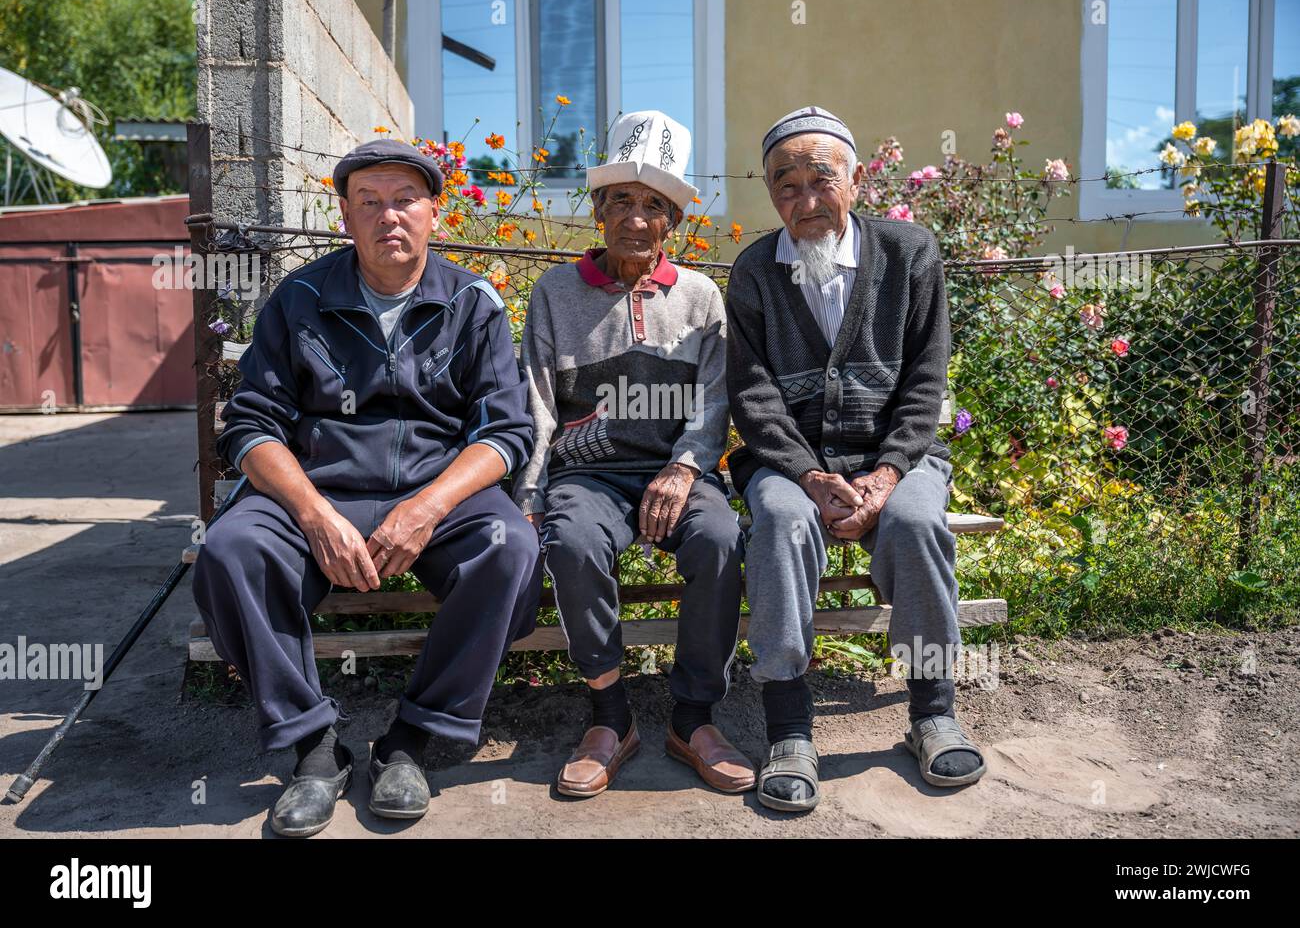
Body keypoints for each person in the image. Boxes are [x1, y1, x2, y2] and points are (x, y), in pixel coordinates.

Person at [193, 138, 542, 836]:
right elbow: (251, 426)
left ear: (434, 214)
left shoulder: (473, 303)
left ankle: (408, 741)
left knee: (508, 548)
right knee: (231, 550)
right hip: (319, 490)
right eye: (369, 202)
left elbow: (505, 432)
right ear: (346, 217)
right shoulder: (300, 299)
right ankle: (314, 748)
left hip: (437, 494)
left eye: (406, 200)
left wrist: (427, 507)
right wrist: (314, 514)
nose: (390, 216)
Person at [725, 106, 987, 813]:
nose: (805, 201)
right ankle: (788, 729)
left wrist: (885, 475)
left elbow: (926, 382)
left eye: (821, 179)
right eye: (786, 185)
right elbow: (752, 397)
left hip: (897, 458)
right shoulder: (754, 270)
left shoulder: (909, 253)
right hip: (791, 467)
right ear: (770, 192)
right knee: (778, 524)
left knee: (915, 525)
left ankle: (932, 713)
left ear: (858, 180)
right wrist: (810, 476)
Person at [514, 111, 752, 798]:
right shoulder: (556, 294)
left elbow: (714, 401)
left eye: (654, 206)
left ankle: (693, 715)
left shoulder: (702, 296)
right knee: (576, 540)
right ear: (597, 208)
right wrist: (529, 498)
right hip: (587, 472)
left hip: (675, 471)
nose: (636, 218)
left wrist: (683, 469)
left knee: (717, 536)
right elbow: (536, 403)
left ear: (674, 222)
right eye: (621, 200)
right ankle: (611, 716)